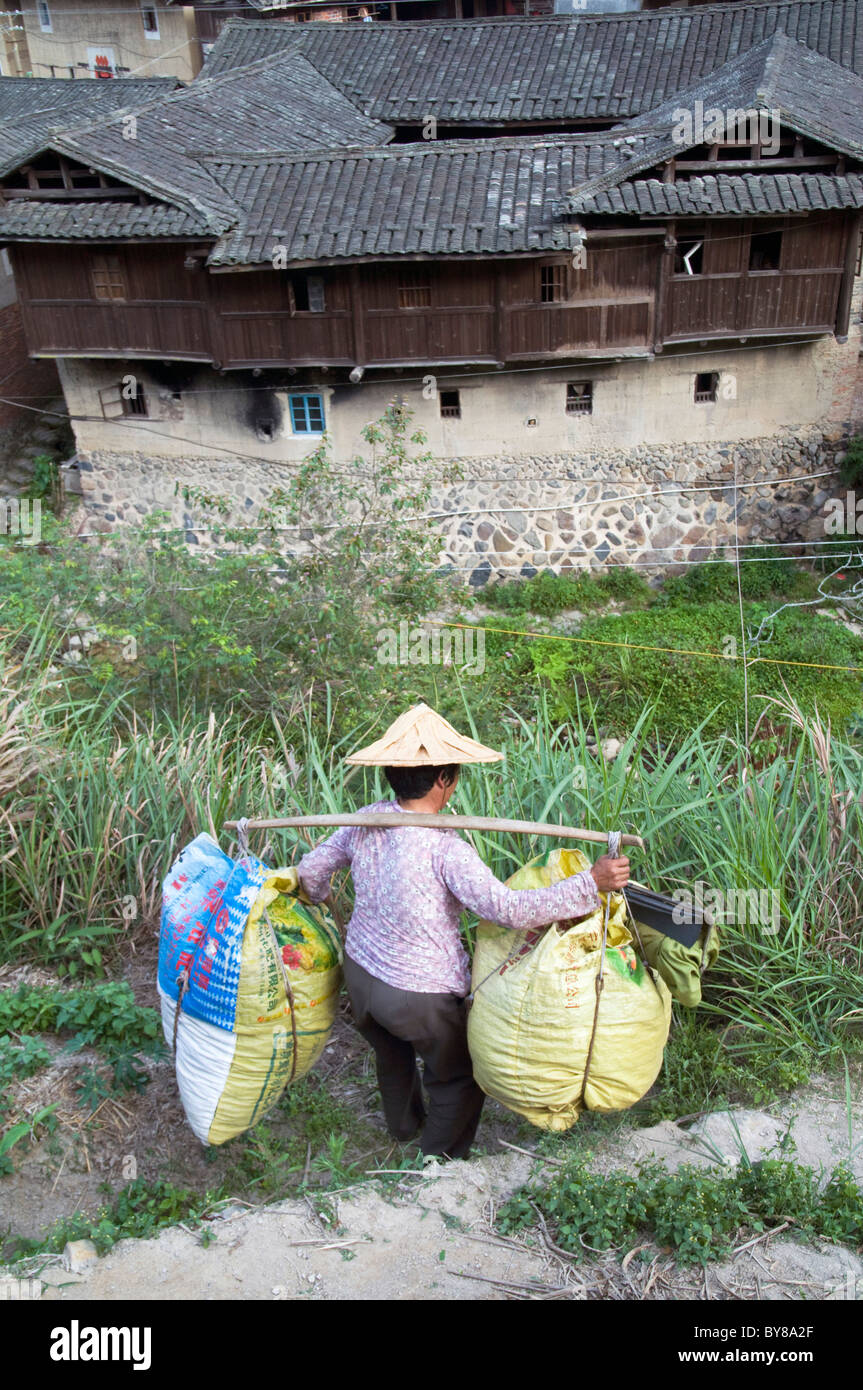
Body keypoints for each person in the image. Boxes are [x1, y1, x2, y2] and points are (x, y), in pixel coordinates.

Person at [296, 702, 630, 1161]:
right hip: (418, 994)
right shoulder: (445, 848)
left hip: (361, 978)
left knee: (390, 1052)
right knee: (457, 1076)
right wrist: (590, 883)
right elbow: (507, 909)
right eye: (454, 775)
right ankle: (438, 1165)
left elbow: (312, 870)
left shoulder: (367, 818)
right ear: (442, 780)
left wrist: (320, 897)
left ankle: (403, 1126)